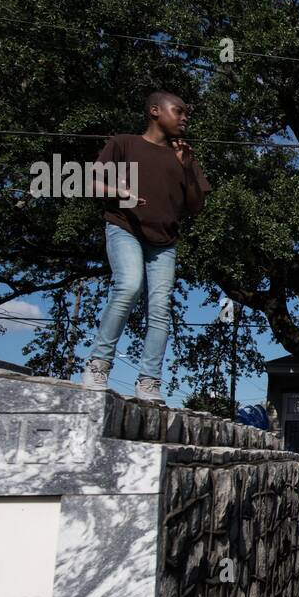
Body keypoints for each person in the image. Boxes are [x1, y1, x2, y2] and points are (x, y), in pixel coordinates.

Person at [81, 91, 211, 404]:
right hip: (125, 228)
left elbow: (196, 206)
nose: (184, 118)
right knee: (128, 286)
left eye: (186, 113)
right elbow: (92, 182)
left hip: (164, 241)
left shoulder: (184, 155)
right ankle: (98, 365)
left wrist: (187, 169)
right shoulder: (124, 143)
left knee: (160, 308)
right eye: (178, 111)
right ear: (155, 111)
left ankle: (149, 381)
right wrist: (120, 192)